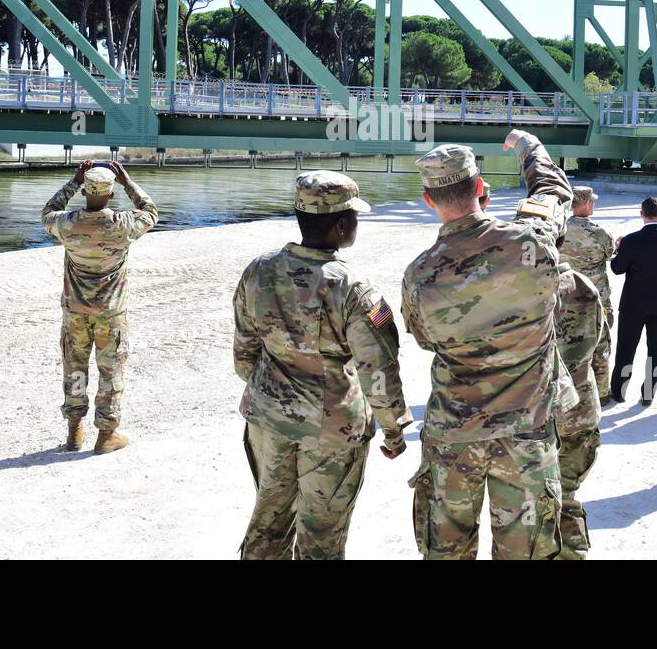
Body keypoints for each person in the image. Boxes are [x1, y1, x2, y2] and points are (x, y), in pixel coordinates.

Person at [402, 129, 575, 560]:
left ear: (428, 200)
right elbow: (553, 191)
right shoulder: (532, 243)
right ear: (481, 189)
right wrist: (527, 146)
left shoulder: (418, 275)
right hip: (526, 436)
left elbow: (425, 340)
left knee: (446, 552)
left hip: (452, 435)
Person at [233, 171, 411, 560]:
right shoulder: (354, 289)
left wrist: (271, 392)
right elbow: (377, 367)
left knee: (268, 523)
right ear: (342, 224)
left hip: (267, 419)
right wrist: (395, 429)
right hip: (332, 430)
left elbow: (244, 353)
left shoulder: (258, 270)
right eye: (355, 218)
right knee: (322, 539)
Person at [41, 160, 158, 455]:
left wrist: (73, 180)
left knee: (75, 369)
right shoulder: (121, 226)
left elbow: (47, 212)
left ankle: (74, 431)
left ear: (84, 191)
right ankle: (106, 435)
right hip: (110, 315)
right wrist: (128, 182)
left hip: (76, 313)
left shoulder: (67, 224)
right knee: (110, 373)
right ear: (110, 194)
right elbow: (151, 211)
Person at [553, 247, 604, 560]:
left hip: (535, 416)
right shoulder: (584, 285)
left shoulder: (513, 288)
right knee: (567, 494)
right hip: (580, 409)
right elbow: (601, 344)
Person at [608, 196, 657, 406]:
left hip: (634, 303)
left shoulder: (630, 240)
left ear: (641, 214)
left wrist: (618, 248)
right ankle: (648, 394)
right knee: (656, 349)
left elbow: (616, 269)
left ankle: (619, 391)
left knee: (626, 348)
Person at [560, 186, 615, 403]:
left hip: (566, 299)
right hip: (597, 301)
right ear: (584, 204)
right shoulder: (599, 233)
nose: (593, 204)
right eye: (591, 201)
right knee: (600, 349)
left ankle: (569, 393)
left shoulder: (559, 229)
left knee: (566, 346)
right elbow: (612, 255)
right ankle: (601, 393)